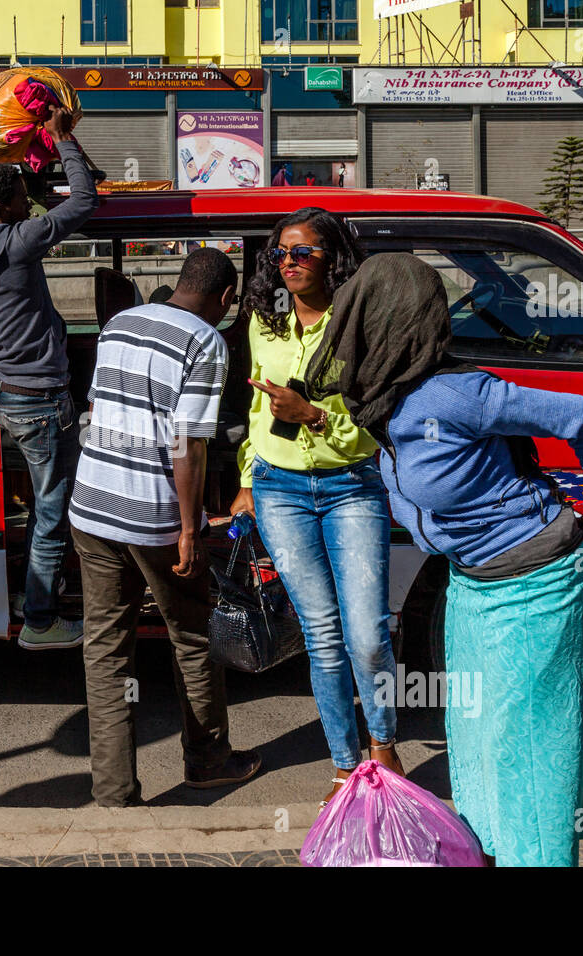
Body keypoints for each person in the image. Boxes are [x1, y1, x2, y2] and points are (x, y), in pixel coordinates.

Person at [305, 252, 583, 866]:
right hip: (473, 586)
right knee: (480, 746)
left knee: (528, 755)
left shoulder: (455, 393)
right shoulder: (381, 399)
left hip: (538, 583)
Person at [71, 247, 262, 807]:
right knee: (194, 638)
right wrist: (189, 529)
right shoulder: (204, 341)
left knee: (106, 653)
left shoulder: (119, 324)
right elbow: (187, 444)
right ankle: (208, 762)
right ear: (226, 298)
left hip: (92, 506)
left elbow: (101, 411)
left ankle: (113, 793)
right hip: (153, 518)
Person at [230, 207, 401, 808]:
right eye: (281, 253)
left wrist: (315, 417)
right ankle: (344, 763)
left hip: (352, 483)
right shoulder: (264, 322)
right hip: (279, 489)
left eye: (304, 251)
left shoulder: (362, 321)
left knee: (368, 633)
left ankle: (384, 744)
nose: (290, 262)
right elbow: (257, 410)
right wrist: (247, 480)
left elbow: (379, 413)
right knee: (321, 634)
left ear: (334, 258)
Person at [0, 105, 99, 650]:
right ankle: (40, 621)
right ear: (1, 209)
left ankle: (35, 592)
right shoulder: (18, 242)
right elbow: (82, 204)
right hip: (40, 397)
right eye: (20, 199)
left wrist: (35, 164)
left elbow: (36, 210)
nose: (28, 206)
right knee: (53, 510)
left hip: (6, 392)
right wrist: (62, 140)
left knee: (41, 499)